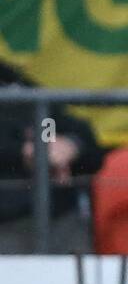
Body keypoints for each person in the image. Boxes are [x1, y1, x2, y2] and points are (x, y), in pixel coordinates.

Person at [0, 59, 103, 253]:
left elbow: (49, 120)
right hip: (8, 222)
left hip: (55, 218)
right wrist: (22, 151)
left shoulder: (11, 81)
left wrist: (66, 144)